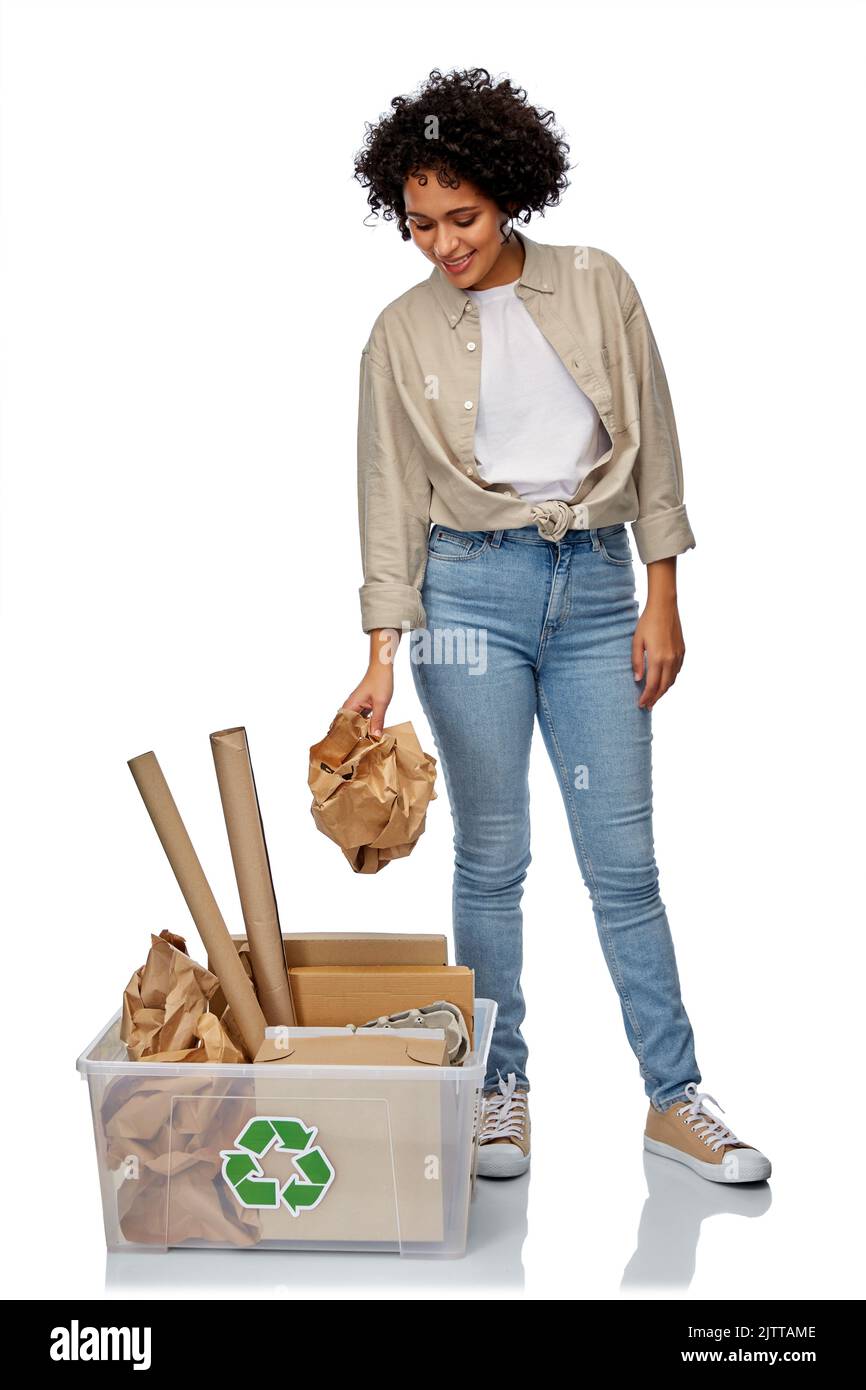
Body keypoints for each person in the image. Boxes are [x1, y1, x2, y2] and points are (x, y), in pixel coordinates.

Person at [343, 67, 771, 1186]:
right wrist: (381, 655)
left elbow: (657, 442)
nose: (442, 244)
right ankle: (496, 1089)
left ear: (511, 192)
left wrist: (663, 592)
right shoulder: (396, 333)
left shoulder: (596, 284)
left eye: (463, 218)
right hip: (464, 598)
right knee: (492, 858)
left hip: (593, 593)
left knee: (621, 864)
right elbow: (386, 494)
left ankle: (674, 1099)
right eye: (419, 224)